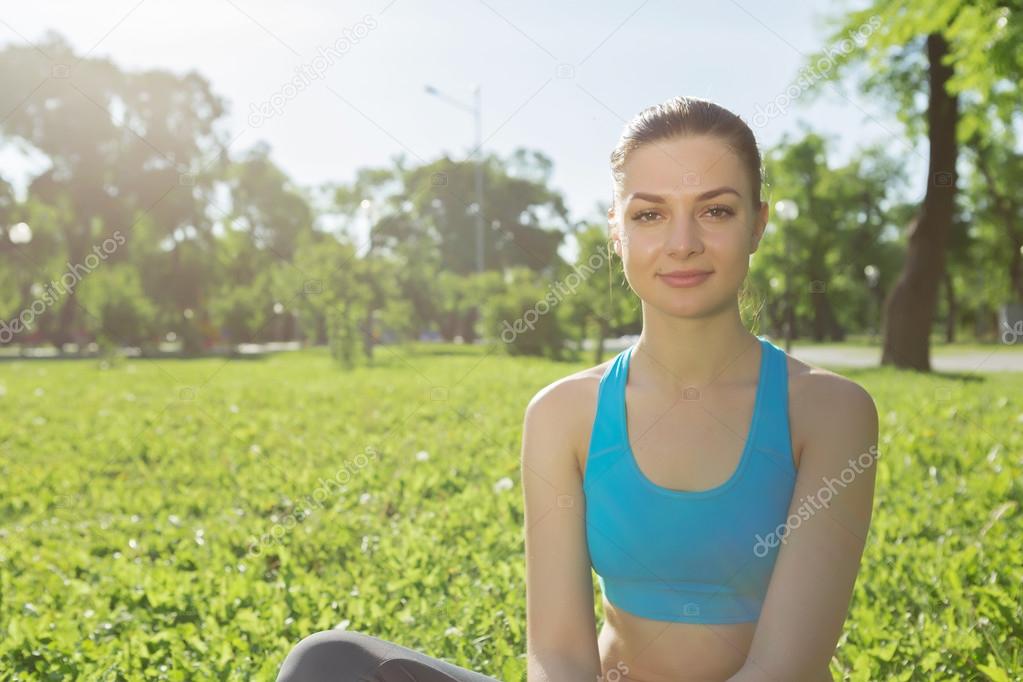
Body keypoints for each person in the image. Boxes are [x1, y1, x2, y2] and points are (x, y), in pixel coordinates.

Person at [521, 96, 878, 681]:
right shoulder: (562, 415)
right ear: (618, 231)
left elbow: (783, 669)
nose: (682, 243)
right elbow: (556, 654)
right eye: (650, 215)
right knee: (331, 662)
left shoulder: (830, 412)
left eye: (715, 212)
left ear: (757, 224)